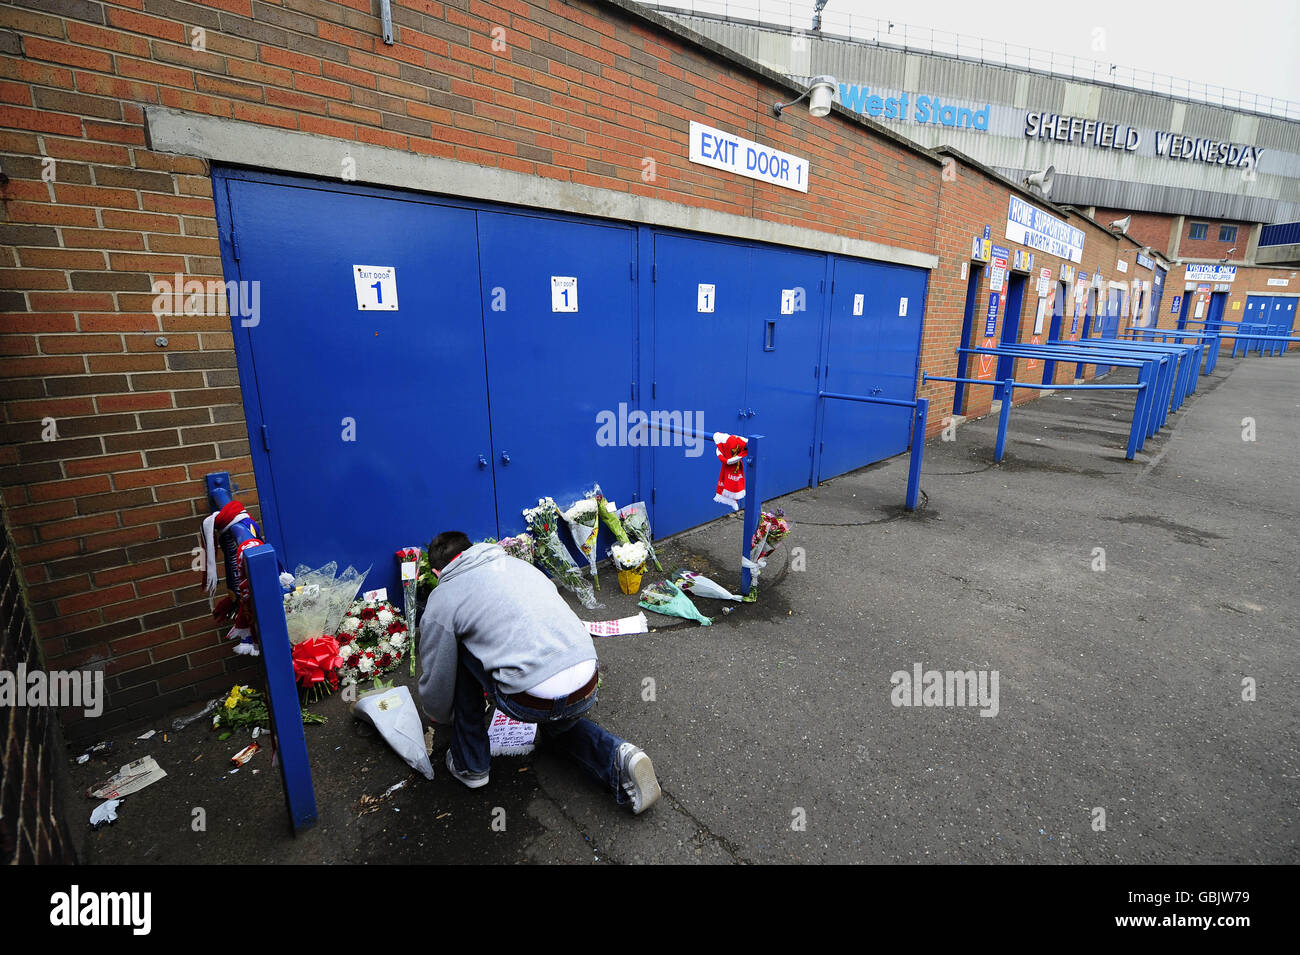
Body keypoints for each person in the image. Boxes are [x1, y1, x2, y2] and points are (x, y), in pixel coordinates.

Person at [417, 530, 661, 814]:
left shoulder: (444, 596)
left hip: (530, 694)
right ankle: (619, 757)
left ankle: (471, 765)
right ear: (473, 550)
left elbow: (438, 676)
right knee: (557, 722)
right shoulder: (519, 566)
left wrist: (440, 715)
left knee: (455, 651)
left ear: (436, 572)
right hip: (586, 680)